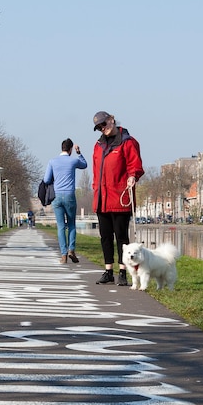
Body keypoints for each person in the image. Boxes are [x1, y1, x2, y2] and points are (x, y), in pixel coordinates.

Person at [90, 111, 144, 286]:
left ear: (111, 120)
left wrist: (133, 176)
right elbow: (96, 171)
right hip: (101, 199)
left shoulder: (127, 142)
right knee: (105, 236)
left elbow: (135, 165)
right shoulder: (98, 146)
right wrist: (95, 189)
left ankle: (122, 272)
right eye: (99, 127)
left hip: (119, 197)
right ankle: (108, 271)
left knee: (121, 237)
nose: (102, 129)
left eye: (104, 124)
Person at [43, 138, 88, 264]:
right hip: (69, 196)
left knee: (61, 226)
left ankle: (63, 255)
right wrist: (79, 153)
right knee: (72, 224)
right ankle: (71, 250)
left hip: (56, 197)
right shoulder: (73, 160)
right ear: (70, 149)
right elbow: (84, 165)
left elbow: (46, 180)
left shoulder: (52, 161)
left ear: (61, 148)